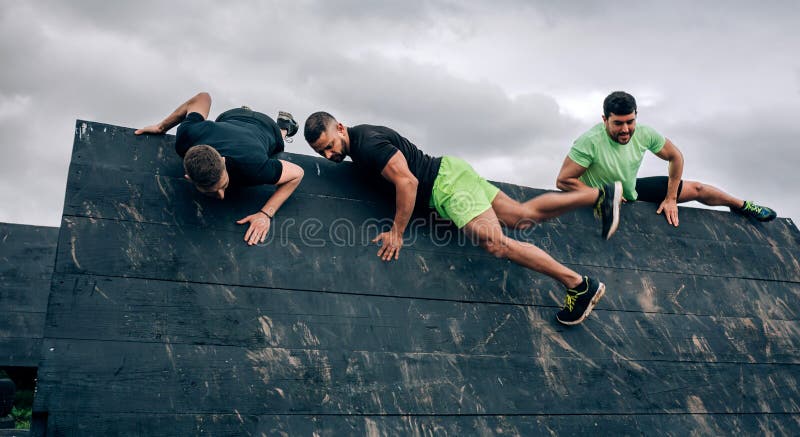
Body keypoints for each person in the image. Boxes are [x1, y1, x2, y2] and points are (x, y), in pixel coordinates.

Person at [304, 112, 617, 326]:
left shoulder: (367, 144)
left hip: (446, 185)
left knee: (496, 244)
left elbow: (408, 182)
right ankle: (596, 195)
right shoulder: (360, 142)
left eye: (330, 145)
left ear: (340, 128)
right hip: (453, 171)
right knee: (522, 216)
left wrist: (397, 232)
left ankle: (578, 285)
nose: (330, 155)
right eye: (323, 153)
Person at [557, 91, 776, 227]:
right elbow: (564, 180)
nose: (625, 129)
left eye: (630, 122)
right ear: (605, 119)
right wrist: (601, 195)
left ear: (636, 116)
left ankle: (743, 206)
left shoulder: (644, 133)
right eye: (618, 124)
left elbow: (675, 156)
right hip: (598, 200)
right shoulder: (590, 141)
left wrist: (671, 198)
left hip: (630, 190)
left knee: (697, 188)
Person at [135, 92, 304, 245]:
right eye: (212, 191)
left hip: (267, 127)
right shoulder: (187, 137)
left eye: (222, 186)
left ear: (223, 161)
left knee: (277, 143)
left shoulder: (253, 166)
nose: (221, 195)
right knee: (234, 124)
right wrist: (161, 128)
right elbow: (203, 97)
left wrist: (266, 214)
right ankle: (245, 111)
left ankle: (283, 125)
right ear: (188, 177)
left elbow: (297, 174)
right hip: (232, 115)